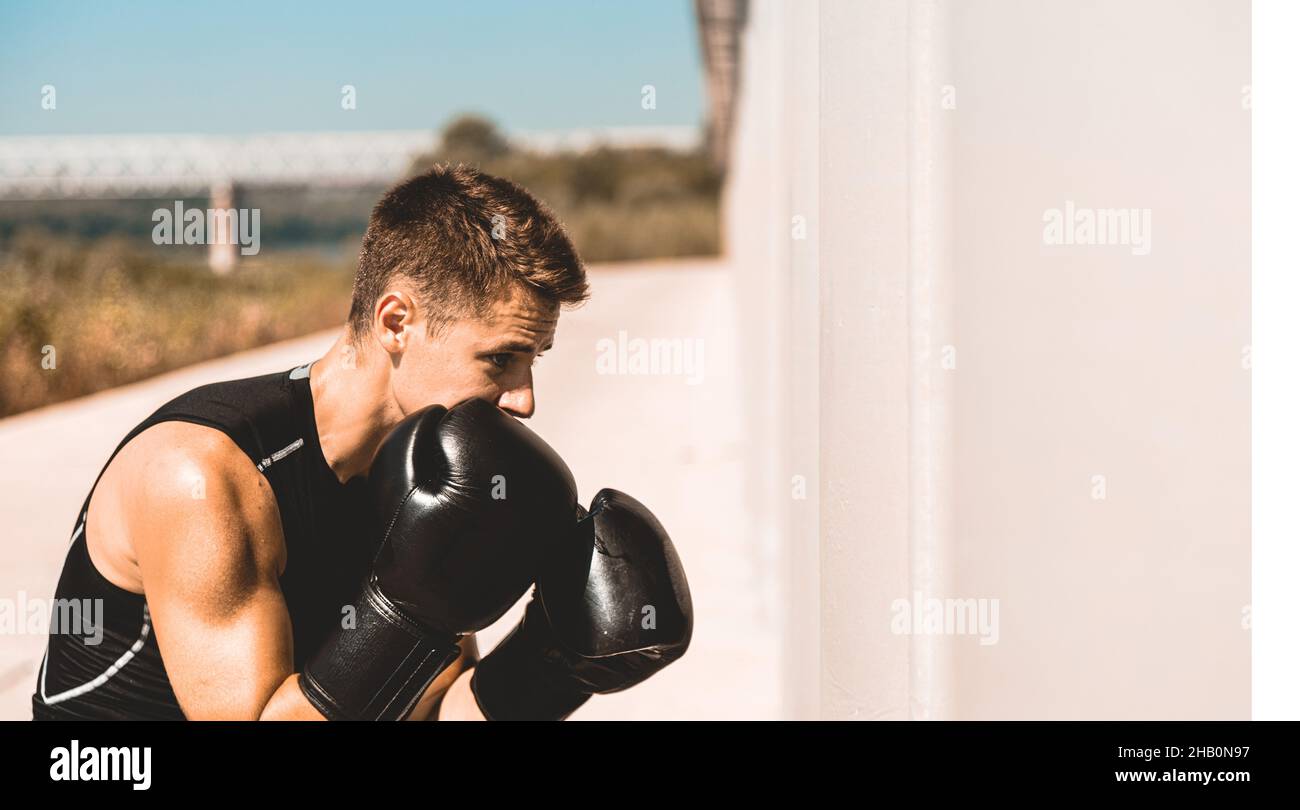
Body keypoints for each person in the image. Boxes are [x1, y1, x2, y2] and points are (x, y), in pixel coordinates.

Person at [30, 165, 691, 721]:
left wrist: (551, 662)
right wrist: (410, 617)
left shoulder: (425, 474)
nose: (524, 399)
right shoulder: (203, 472)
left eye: (534, 360)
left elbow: (435, 712)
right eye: (501, 360)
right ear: (396, 321)